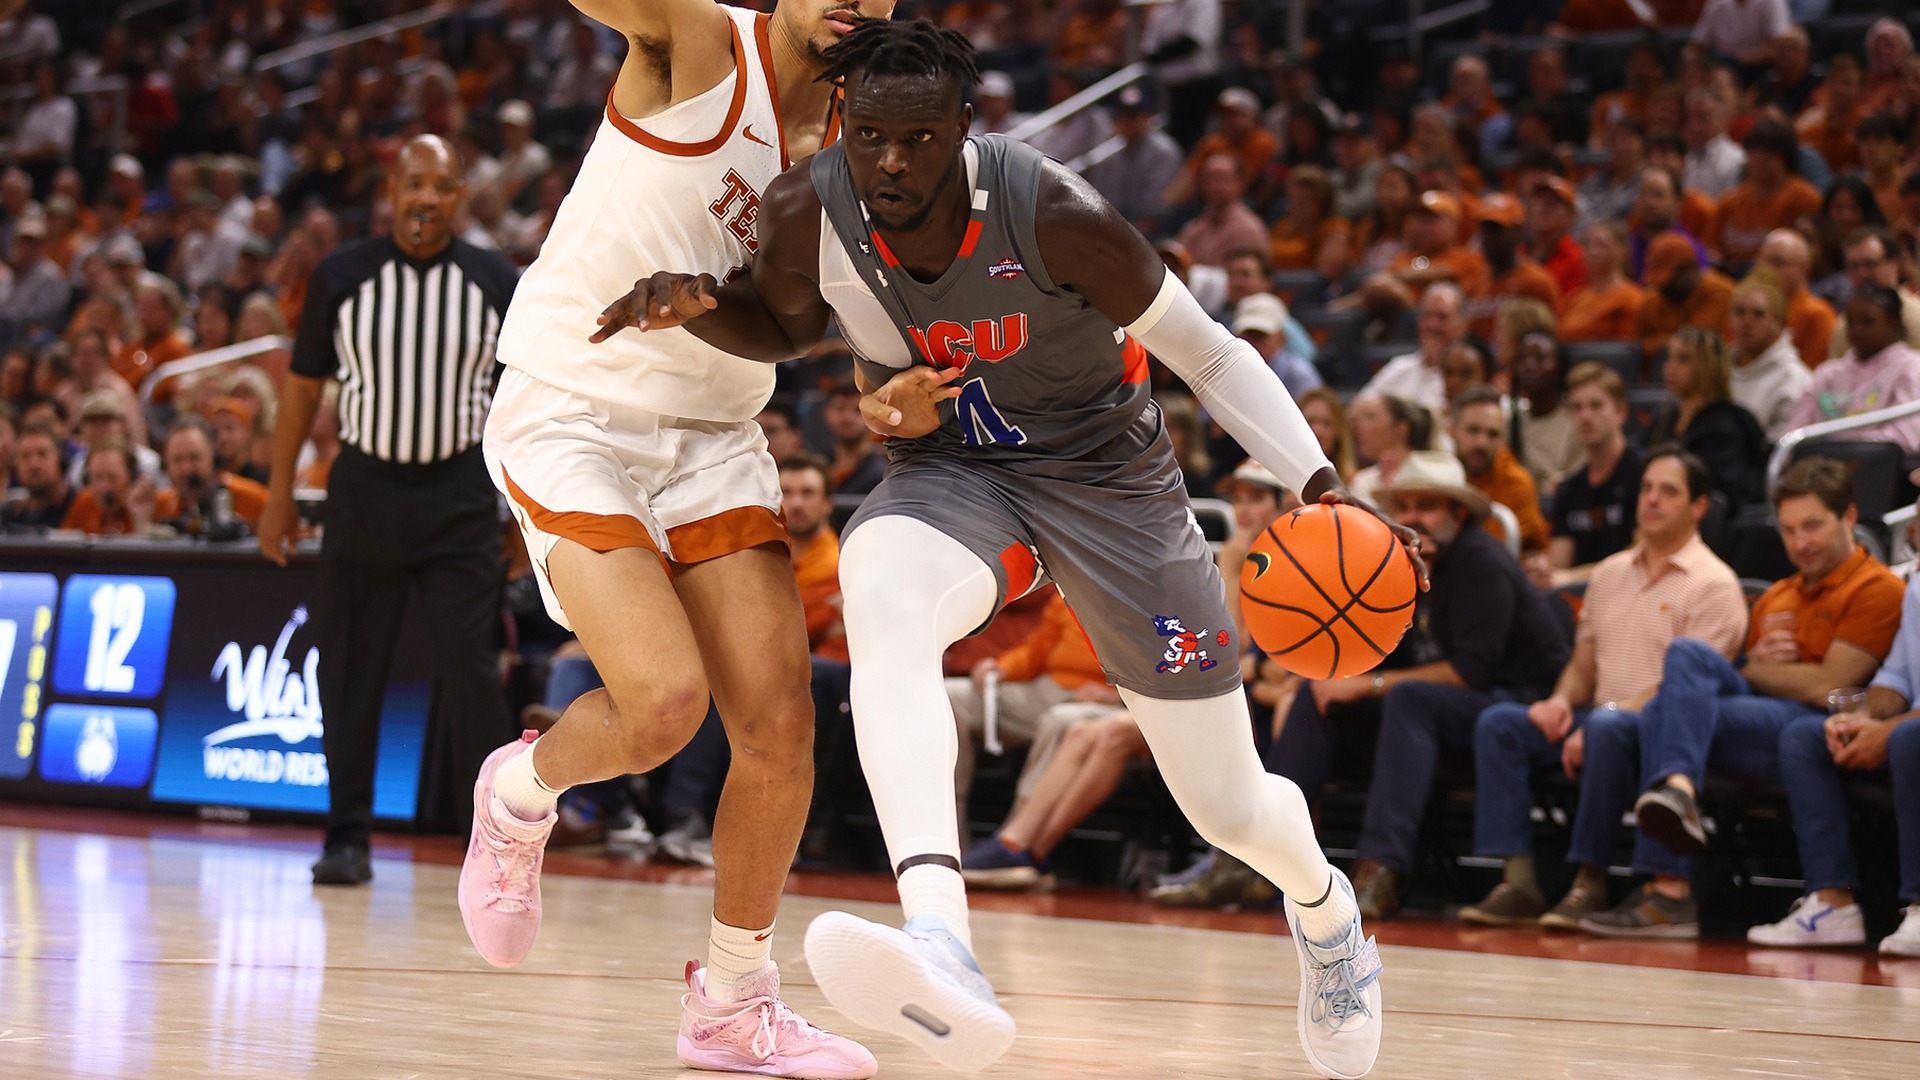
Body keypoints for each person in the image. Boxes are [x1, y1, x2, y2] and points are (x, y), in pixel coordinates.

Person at [601, 20, 1412, 1077]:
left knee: (1225, 807)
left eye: (922, 139)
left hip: (1111, 485)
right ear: (844, 122)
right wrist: (702, 311)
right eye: (873, 137)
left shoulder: (1055, 213)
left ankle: (1325, 906)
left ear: (964, 133)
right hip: (964, 471)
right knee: (877, 582)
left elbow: (1210, 357)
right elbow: (784, 324)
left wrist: (1323, 488)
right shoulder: (810, 207)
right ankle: (942, 936)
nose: (893, 162)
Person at [441, 3, 894, 1076]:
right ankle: (520, 793)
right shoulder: (697, 40)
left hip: (715, 430)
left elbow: (835, 302)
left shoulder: (864, 123)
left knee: (781, 726)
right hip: (575, 404)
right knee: (662, 707)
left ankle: (733, 1008)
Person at [259, 135, 522, 894]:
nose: (426, 200)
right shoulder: (341, 276)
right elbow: (302, 390)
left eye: (441, 186)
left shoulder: (494, 279)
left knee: (474, 675)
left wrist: (519, 514)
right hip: (365, 494)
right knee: (348, 673)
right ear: (392, 190)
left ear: (460, 194)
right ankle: (346, 837)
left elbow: (518, 405)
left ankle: (497, 850)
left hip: (460, 498)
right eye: (414, 184)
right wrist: (278, 495)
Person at [1582, 458, 1902, 938]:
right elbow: (1742, 682)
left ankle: (1669, 876)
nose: (1801, 543)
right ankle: (1671, 823)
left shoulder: (1878, 587)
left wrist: (1760, 667)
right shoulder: (1777, 594)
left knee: (1676, 686)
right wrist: (1764, 670)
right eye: (1790, 531)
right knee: (1679, 676)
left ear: (1849, 517)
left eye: (1813, 526)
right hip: (1754, 719)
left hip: (1818, 726)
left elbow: (1826, 686)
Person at [1461, 448, 1749, 929]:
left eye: (1669, 491)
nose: (1652, 500)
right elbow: (1583, 662)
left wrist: (1603, 714)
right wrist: (1558, 700)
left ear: (1699, 507)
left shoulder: (1715, 584)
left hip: (1655, 728)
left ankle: (1588, 882)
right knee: (1502, 723)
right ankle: (1519, 882)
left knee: (1609, 726)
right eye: (1647, 488)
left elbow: (1687, 694)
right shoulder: (1610, 572)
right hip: (1599, 716)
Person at [1307, 451, 1569, 919]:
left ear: (1458, 513)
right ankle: (1263, 862)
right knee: (1318, 695)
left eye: (1426, 506)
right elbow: (1378, 650)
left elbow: (1469, 673)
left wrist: (1370, 684)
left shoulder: (1481, 562)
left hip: (1521, 704)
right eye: (1402, 507)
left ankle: (1379, 872)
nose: (1411, 517)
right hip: (1439, 709)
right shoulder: (1400, 562)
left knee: (1406, 698)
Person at [1763, 528, 1920, 954]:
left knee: (1908, 740)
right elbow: (1898, 678)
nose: (1913, 526)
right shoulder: (1916, 584)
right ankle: (1833, 902)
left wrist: (1888, 731)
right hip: (1910, 727)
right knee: (1804, 736)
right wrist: (1860, 717)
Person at [1789, 284, 1920, 453]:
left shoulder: (1912, 368)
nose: (1857, 329)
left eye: (1867, 321)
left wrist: (1845, 451)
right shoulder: (1828, 373)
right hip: (1820, 469)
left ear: (1892, 323)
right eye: (1851, 322)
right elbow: (1795, 434)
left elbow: (1905, 438)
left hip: (1879, 470)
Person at [1651, 328, 1769, 508]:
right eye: (1669, 357)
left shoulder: (1726, 425)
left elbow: (1726, 493)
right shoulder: (1666, 417)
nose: (1669, 367)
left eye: (1683, 359)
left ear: (1708, 366)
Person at [1453, 385, 1549, 554]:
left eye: (1493, 434)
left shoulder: (1516, 482)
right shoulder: (1438, 477)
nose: (1482, 443)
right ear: (1452, 431)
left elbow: (1490, 555)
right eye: (1473, 430)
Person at [1728, 277, 1812, 442]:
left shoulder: (1793, 377)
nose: (1747, 321)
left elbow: (1781, 449)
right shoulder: (1717, 369)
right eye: (1739, 312)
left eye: (1759, 314)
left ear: (1778, 323)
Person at [155, 416, 268, 535]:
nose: (186, 469)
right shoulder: (159, 507)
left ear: (214, 457)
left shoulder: (255, 500)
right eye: (177, 460)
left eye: (195, 458)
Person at [1559, 221, 1645, 343]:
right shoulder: (1574, 298)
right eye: (1587, 244)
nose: (1593, 251)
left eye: (1601, 245)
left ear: (1622, 250)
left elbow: (1626, 351)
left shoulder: (1632, 298)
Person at [0, 422, 72, 529]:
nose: (34, 465)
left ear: (60, 459)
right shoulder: (9, 516)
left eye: (42, 454)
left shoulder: (81, 505)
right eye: (25, 456)